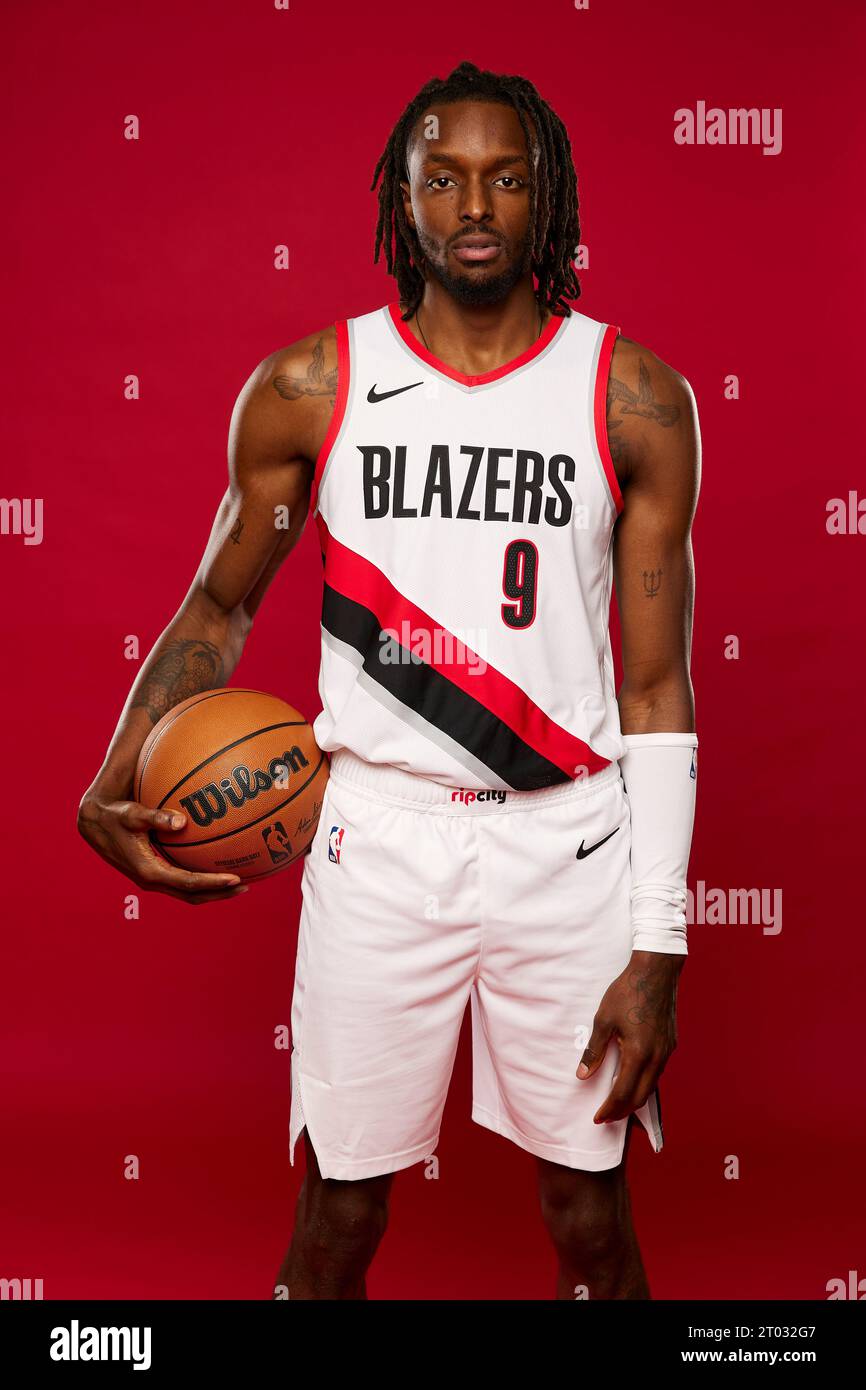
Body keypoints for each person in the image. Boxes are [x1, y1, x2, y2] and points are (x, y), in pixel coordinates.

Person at [78, 60, 700, 1300]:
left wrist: (659, 944)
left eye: (504, 178)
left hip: (566, 845)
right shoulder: (310, 388)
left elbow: (654, 691)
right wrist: (113, 776)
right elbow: (218, 605)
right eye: (442, 176)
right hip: (379, 843)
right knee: (338, 1217)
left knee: (588, 1217)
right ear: (399, 197)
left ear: (547, 198)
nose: (473, 204)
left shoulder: (632, 398)